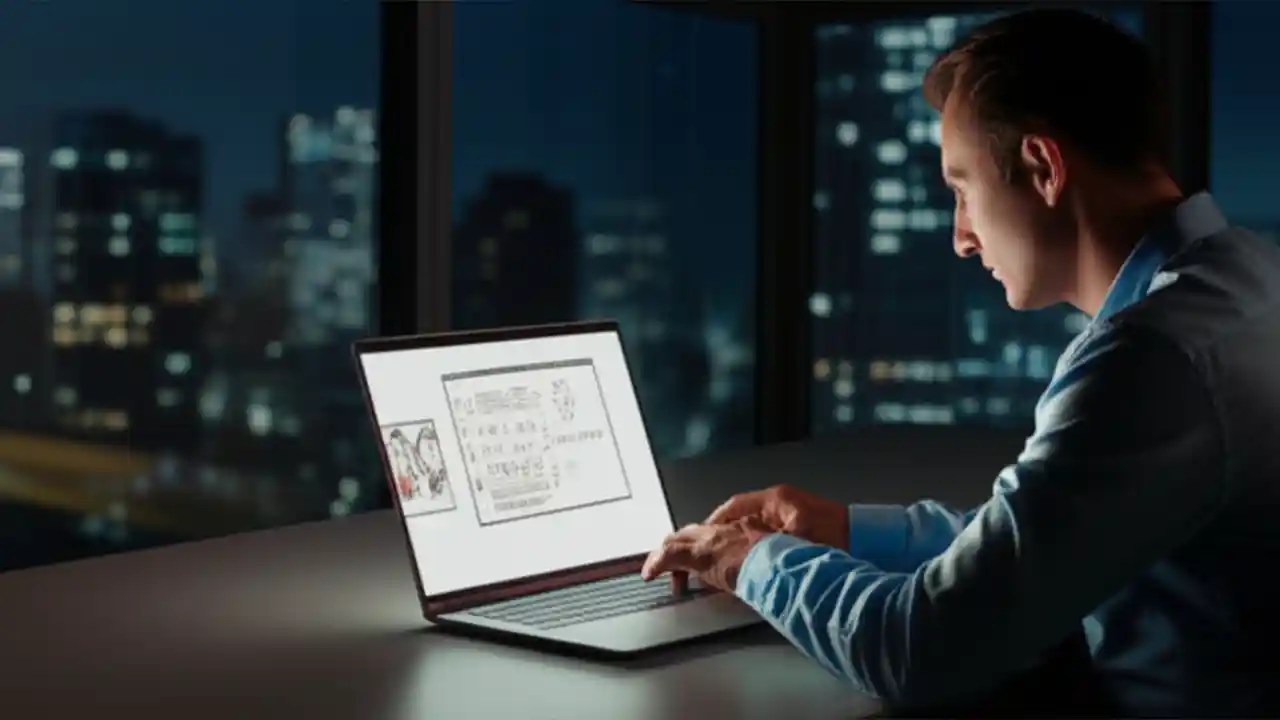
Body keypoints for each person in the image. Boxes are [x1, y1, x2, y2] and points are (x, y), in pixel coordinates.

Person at [641, 8, 1280, 718]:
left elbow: (921, 646)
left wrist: (749, 559)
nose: (961, 239)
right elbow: (1055, 532)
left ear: (1042, 167)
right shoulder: (1248, 280)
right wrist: (847, 530)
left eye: (961, 190)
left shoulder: (1148, 360)